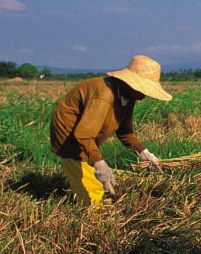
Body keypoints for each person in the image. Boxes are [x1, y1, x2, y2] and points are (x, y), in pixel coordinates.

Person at [50, 55, 172, 207]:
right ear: (130, 84)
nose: (144, 96)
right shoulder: (104, 97)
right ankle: (92, 213)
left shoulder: (127, 97)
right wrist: (100, 163)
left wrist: (144, 153)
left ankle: (104, 202)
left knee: (98, 178)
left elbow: (125, 132)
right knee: (90, 192)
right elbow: (83, 135)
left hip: (86, 134)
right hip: (70, 136)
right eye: (142, 90)